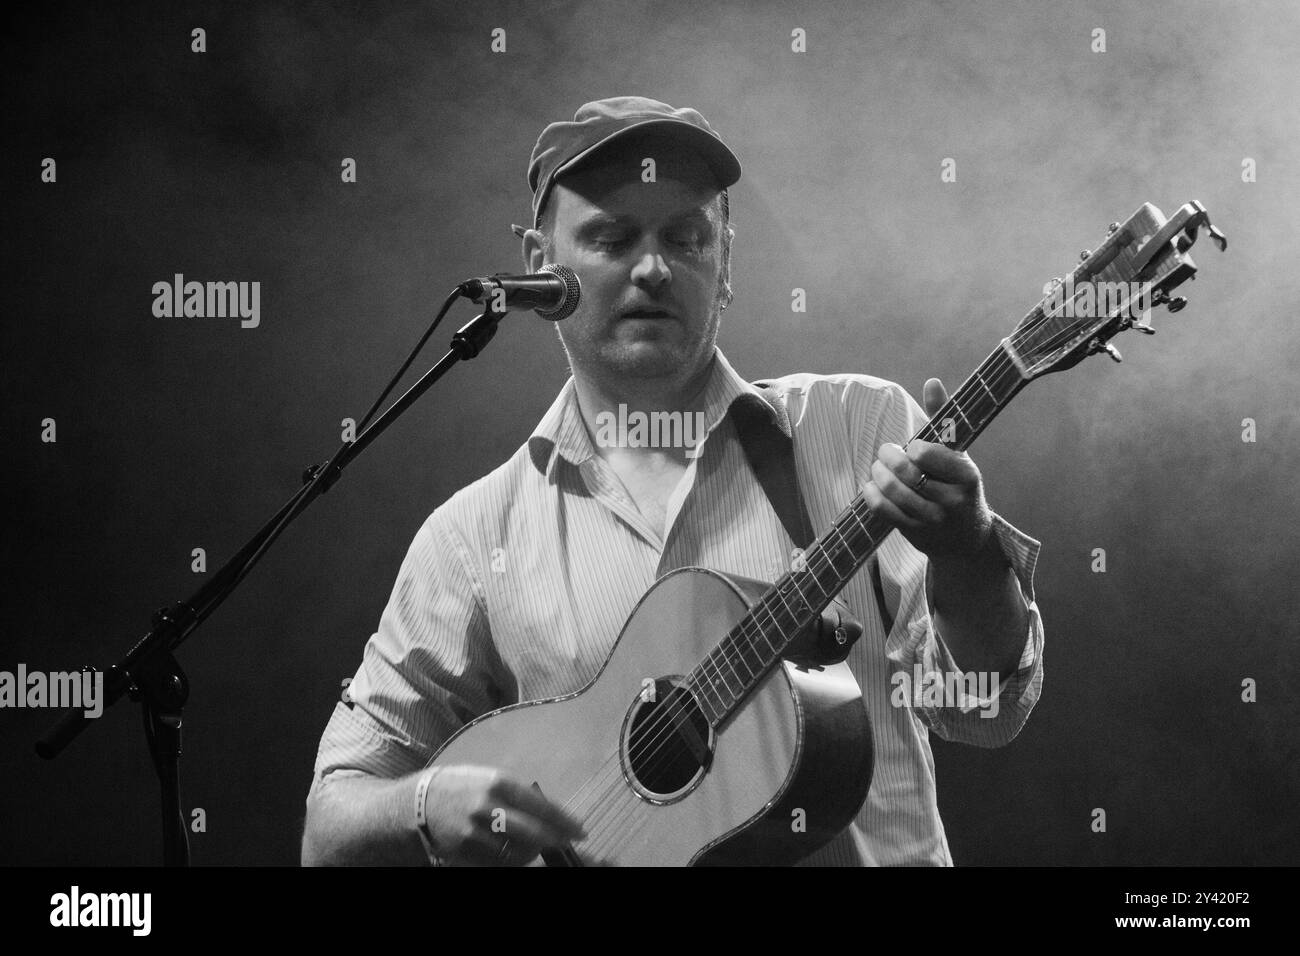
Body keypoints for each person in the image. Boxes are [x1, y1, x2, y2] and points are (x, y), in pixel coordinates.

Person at [301, 96, 1045, 867]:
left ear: (727, 263)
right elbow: (330, 827)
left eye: (686, 239)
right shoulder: (472, 537)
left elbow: (987, 712)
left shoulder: (861, 427)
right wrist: (426, 803)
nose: (653, 268)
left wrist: (968, 552)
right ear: (536, 264)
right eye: (611, 238)